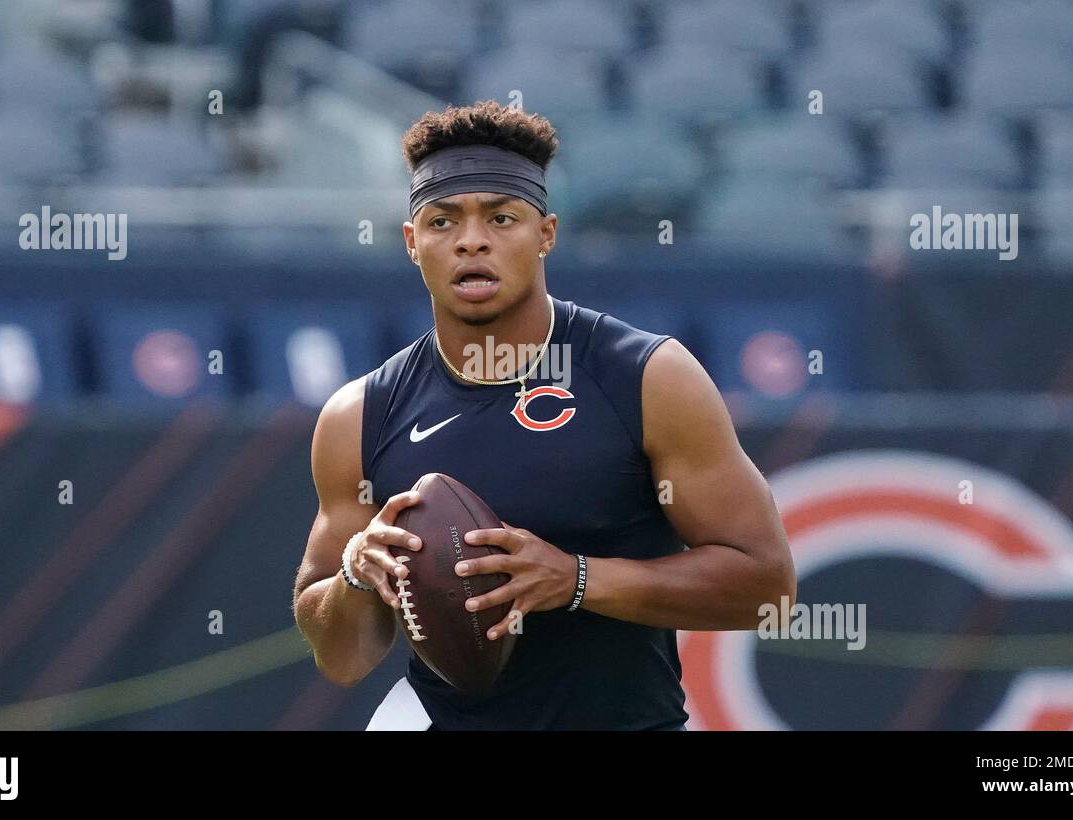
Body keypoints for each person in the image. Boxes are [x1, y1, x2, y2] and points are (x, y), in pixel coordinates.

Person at [293, 100, 794, 730]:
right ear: (412, 242)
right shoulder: (359, 414)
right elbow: (342, 659)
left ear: (547, 235)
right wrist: (354, 575)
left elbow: (767, 588)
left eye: (501, 218)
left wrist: (576, 579)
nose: (472, 239)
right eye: (443, 221)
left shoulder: (645, 376)